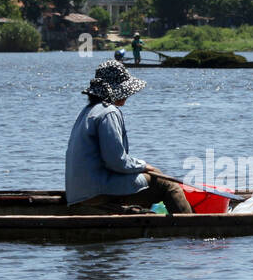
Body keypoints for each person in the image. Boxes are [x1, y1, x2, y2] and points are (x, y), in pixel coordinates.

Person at [64, 59, 193, 214]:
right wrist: (143, 166)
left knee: (153, 178)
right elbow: (116, 161)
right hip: (98, 190)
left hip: (78, 192)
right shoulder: (108, 112)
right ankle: (189, 228)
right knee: (169, 185)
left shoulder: (87, 111)